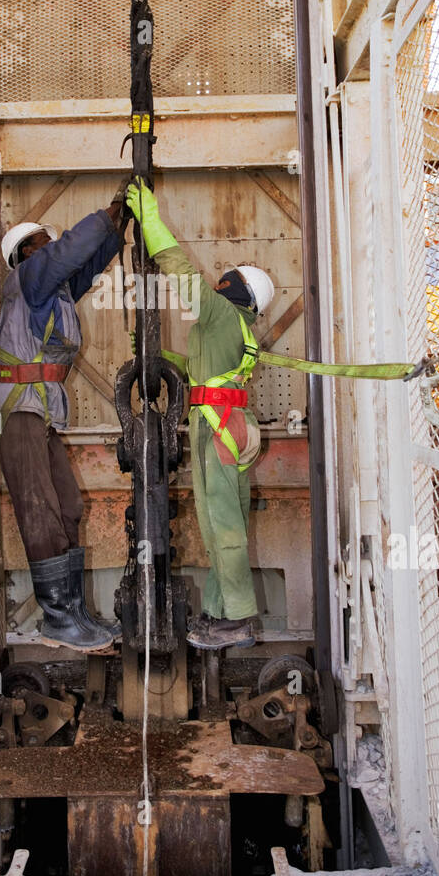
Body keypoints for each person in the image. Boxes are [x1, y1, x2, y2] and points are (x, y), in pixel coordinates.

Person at [125, 178, 274, 650]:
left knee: (222, 525)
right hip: (231, 425)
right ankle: (218, 613)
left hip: (219, 430)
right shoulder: (236, 328)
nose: (218, 284)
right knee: (222, 523)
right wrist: (156, 355)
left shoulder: (220, 315)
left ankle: (241, 619)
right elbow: (201, 372)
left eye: (227, 282)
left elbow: (179, 269)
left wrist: (149, 219)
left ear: (238, 293)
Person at [0, 190, 125, 651]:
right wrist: (105, 213)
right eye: (44, 241)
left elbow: (89, 260)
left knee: (66, 506)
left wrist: (120, 224)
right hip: (18, 411)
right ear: (27, 252)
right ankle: (57, 618)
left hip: (40, 409)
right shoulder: (29, 278)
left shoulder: (54, 291)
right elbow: (70, 250)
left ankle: (74, 612)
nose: (53, 244)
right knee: (40, 509)